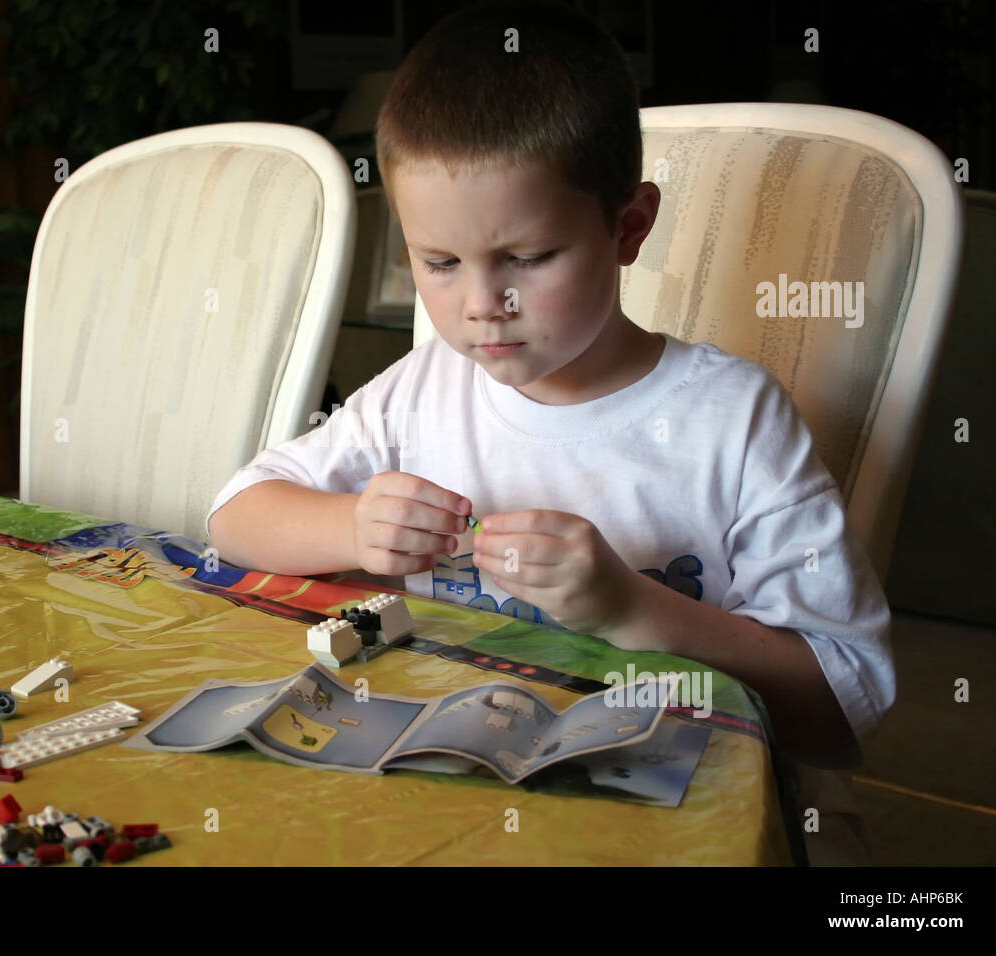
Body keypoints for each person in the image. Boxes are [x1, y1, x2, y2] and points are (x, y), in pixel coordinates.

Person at [207, 0, 892, 865]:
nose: (480, 305)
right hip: (454, 796)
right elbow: (233, 514)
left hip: (683, 814)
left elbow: (845, 699)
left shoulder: (734, 419)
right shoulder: (423, 391)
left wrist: (630, 606)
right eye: (440, 263)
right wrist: (350, 527)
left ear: (627, 227)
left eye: (527, 259)